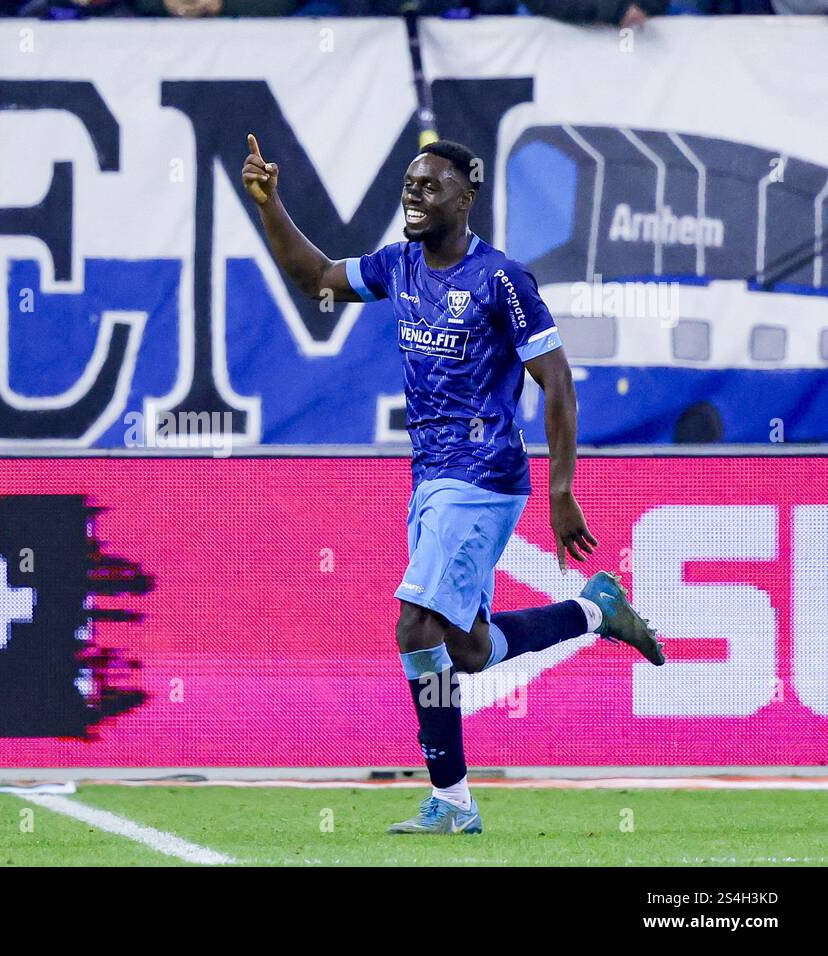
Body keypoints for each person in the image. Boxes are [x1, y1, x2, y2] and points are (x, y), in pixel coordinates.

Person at [242, 135, 664, 836]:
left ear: (465, 200)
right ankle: (596, 612)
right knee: (464, 648)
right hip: (431, 479)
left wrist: (562, 491)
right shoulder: (400, 265)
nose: (414, 195)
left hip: (483, 476)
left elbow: (556, 380)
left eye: (429, 186)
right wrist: (270, 204)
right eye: (409, 185)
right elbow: (315, 274)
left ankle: (453, 801)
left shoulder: (501, 280)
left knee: (414, 624)